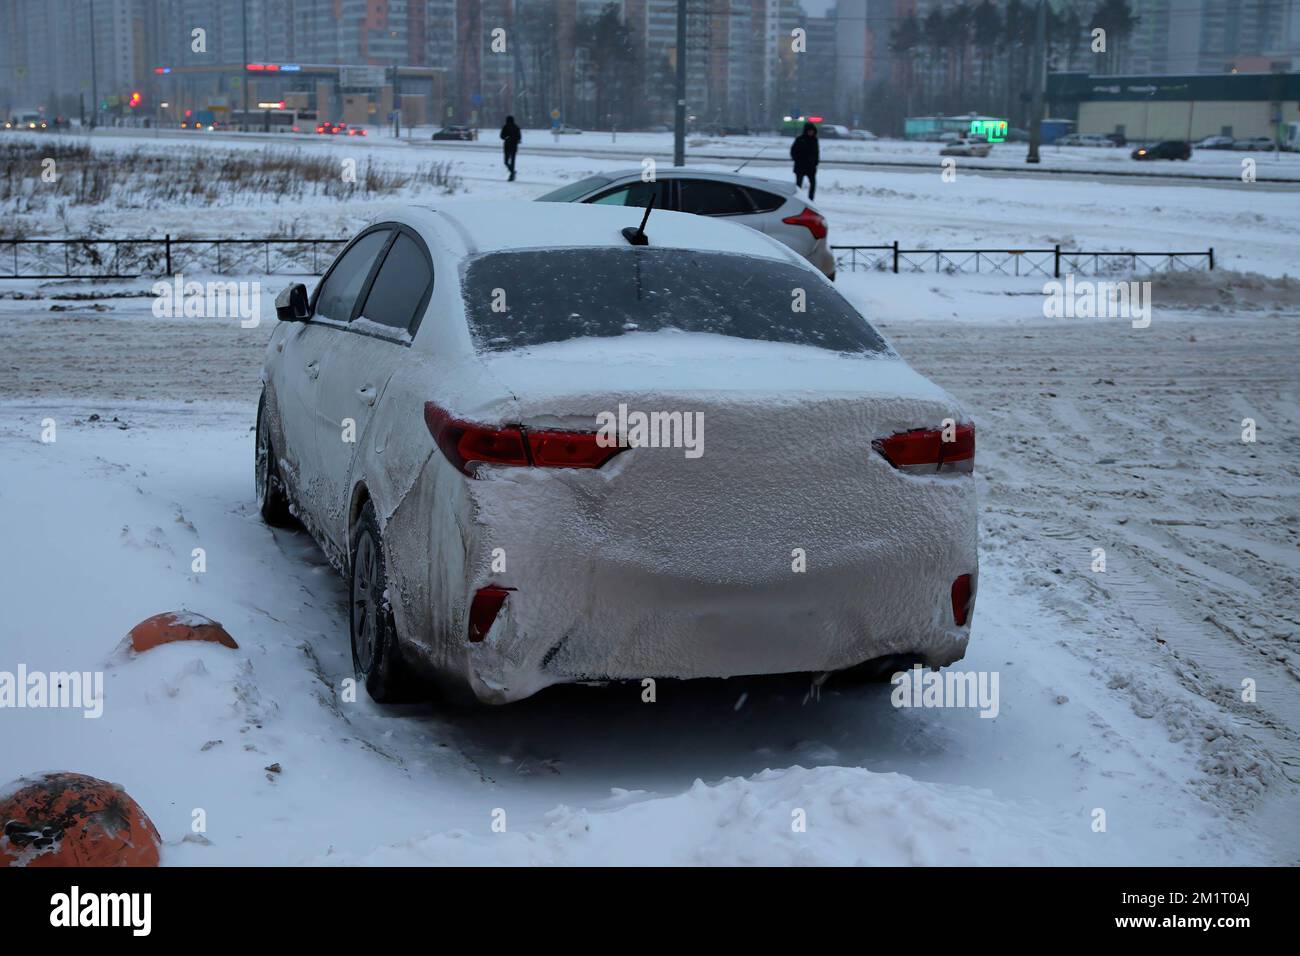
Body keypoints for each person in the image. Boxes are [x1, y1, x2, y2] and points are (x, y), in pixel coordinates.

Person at [790, 121, 819, 200]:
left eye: (812, 131)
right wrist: (797, 159)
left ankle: (811, 200)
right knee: (798, 185)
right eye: (809, 131)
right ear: (806, 131)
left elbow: (816, 152)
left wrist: (816, 162)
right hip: (800, 166)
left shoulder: (815, 140)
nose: (811, 132)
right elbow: (793, 151)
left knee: (813, 184)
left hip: (811, 167)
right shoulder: (800, 139)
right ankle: (798, 199)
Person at [500, 115, 522, 181]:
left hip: (507, 146)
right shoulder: (516, 127)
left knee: (506, 161)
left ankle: (512, 173)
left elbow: (501, 136)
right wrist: (516, 140)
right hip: (514, 146)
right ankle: (512, 173)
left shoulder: (505, 127)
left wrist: (506, 138)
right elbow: (519, 137)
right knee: (513, 161)